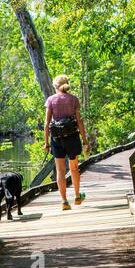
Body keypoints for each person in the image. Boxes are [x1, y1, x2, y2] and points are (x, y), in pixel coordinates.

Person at [43, 75, 90, 211]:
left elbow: (47, 124)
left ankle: (64, 201)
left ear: (55, 86)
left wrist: (46, 142)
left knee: (60, 170)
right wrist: (85, 140)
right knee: (74, 168)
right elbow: (79, 121)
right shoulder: (74, 100)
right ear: (66, 84)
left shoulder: (51, 100)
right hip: (72, 138)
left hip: (57, 139)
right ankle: (77, 196)